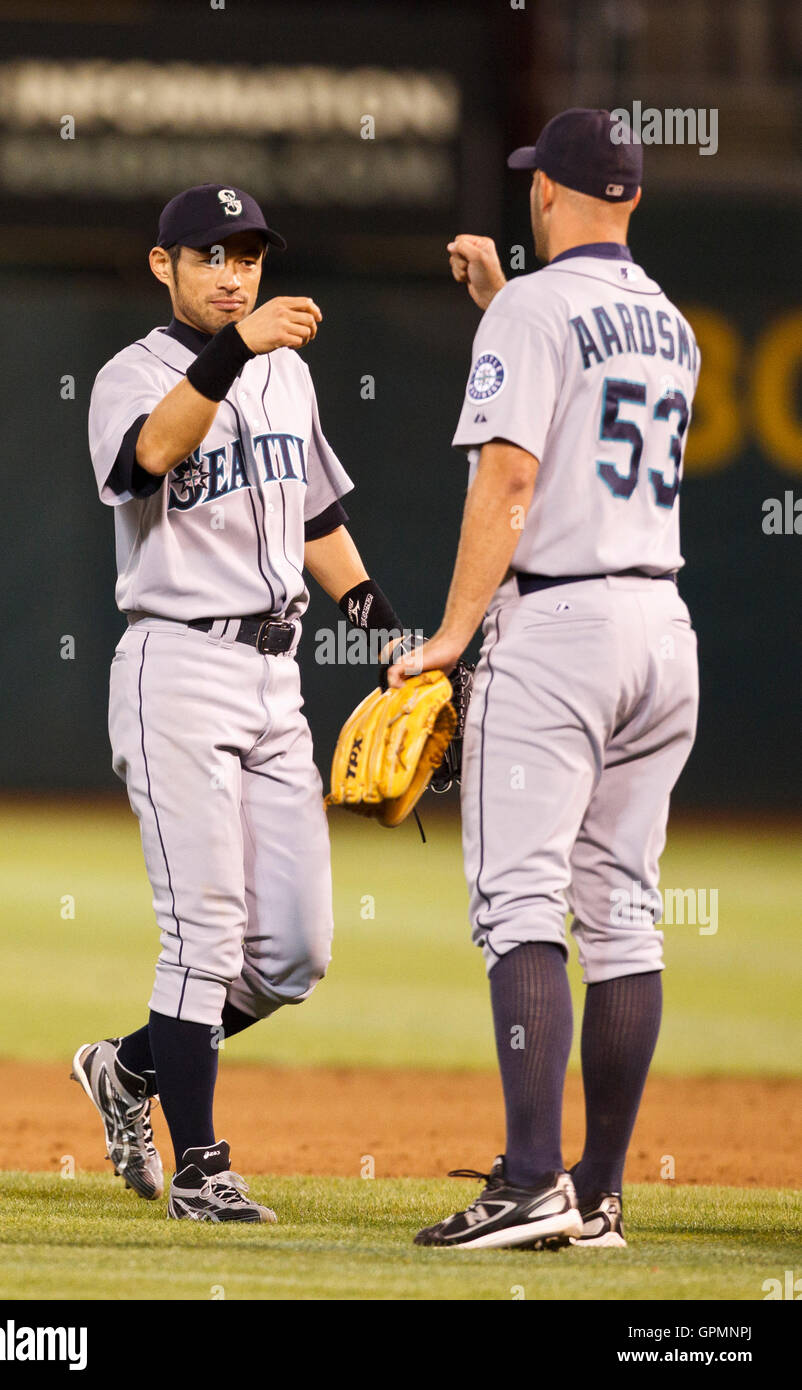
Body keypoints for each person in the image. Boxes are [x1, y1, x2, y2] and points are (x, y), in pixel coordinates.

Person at [389, 110, 700, 1250]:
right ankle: (597, 1192)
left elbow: (514, 472)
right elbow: (581, 416)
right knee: (620, 913)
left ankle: (527, 1179)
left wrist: (448, 633)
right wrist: (498, 309)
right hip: (661, 629)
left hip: (558, 625)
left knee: (517, 902)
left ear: (547, 194)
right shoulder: (668, 323)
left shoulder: (531, 308)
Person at [76, 183, 406, 1223]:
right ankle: (202, 1168)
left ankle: (127, 1069)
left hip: (276, 675)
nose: (232, 272)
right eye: (209, 254)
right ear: (160, 266)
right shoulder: (128, 375)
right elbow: (152, 457)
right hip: (175, 666)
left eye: (249, 254)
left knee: (294, 952)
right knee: (204, 934)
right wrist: (238, 348)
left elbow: (315, 516)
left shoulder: (287, 377)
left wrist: (381, 626)